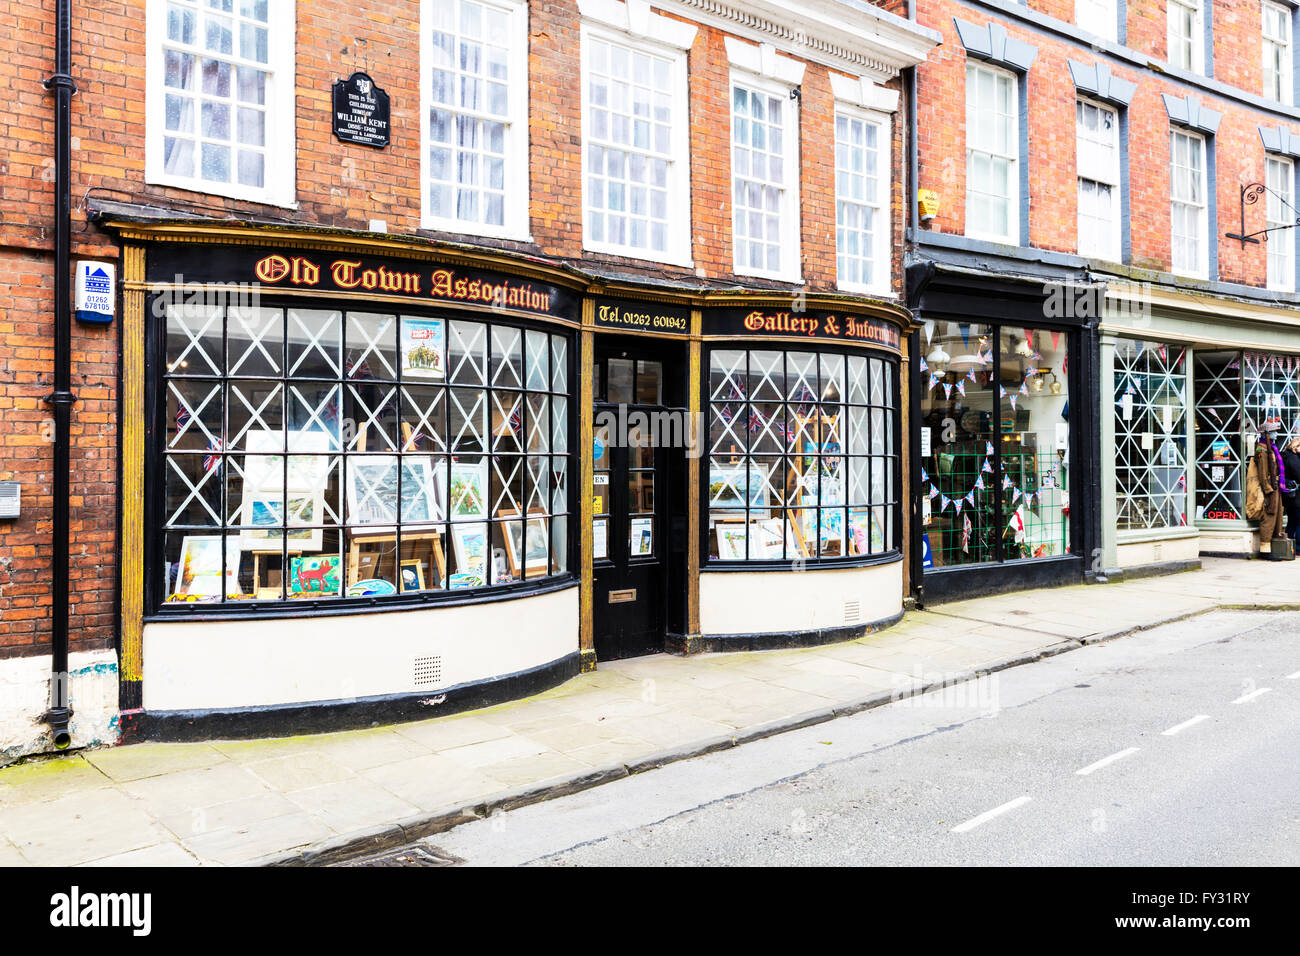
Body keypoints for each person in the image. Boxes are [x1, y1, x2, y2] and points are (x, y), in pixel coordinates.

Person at [1247, 421, 1285, 554]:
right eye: (1274, 431)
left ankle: (1275, 548)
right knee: (1269, 519)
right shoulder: (1261, 450)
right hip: (1270, 488)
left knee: (1278, 517)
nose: (1277, 434)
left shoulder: (1272, 448)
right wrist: (1268, 490)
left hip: (1275, 487)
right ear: (1267, 434)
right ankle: (1265, 549)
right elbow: (1263, 474)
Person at [1283, 435, 1300, 543]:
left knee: (1292, 522)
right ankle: (1298, 548)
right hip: (1296, 496)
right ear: (1296, 446)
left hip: (1290, 496)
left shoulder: (1287, 456)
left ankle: (1288, 546)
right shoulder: (1294, 458)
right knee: (1298, 523)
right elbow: (1298, 474)